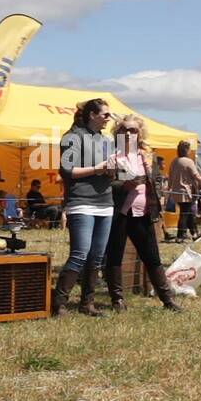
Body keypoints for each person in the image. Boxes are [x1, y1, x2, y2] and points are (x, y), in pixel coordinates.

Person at [104, 115, 181, 312]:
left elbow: (155, 183)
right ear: (118, 133)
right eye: (124, 130)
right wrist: (124, 185)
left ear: (140, 134)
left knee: (152, 256)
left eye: (133, 130)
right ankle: (117, 300)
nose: (129, 133)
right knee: (114, 255)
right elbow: (105, 184)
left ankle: (168, 299)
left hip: (144, 212)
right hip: (119, 212)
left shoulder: (147, 156)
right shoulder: (111, 155)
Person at [53, 98, 115, 317]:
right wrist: (97, 169)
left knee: (97, 256)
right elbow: (67, 171)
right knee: (80, 253)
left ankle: (87, 303)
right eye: (105, 114)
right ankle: (58, 302)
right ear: (92, 115)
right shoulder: (73, 137)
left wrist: (113, 170)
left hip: (105, 202)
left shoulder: (106, 140)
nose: (109, 118)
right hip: (81, 201)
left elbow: (111, 172)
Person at [168, 140, 201, 243]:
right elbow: (196, 175)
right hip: (185, 191)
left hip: (176, 191)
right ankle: (180, 235)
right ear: (187, 150)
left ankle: (194, 233)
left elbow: (170, 176)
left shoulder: (174, 161)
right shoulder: (188, 161)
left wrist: (169, 188)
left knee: (188, 213)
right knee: (185, 213)